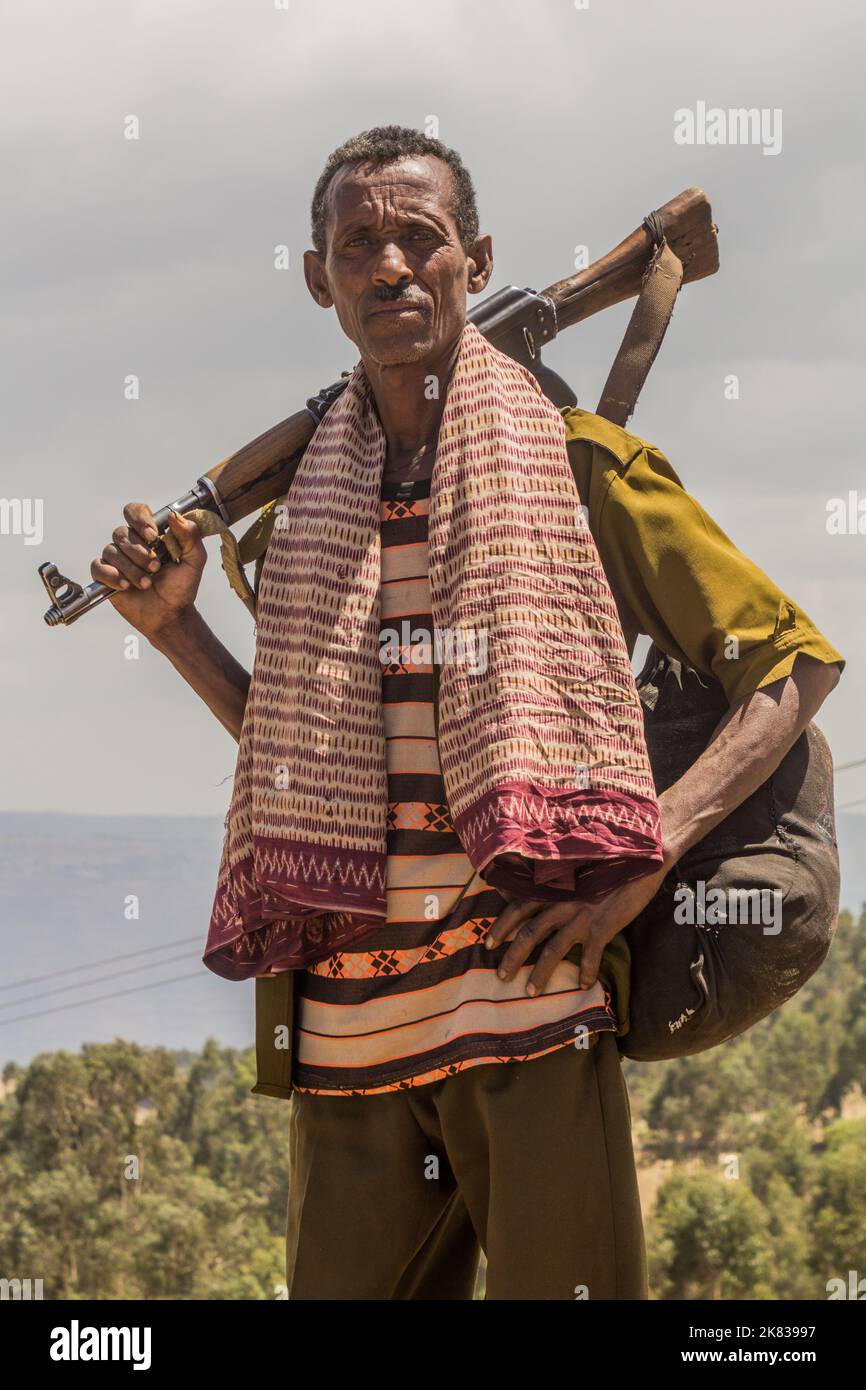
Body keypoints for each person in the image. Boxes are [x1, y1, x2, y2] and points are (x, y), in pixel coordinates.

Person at [92, 126, 843, 1300]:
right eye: (357, 245)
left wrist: (644, 860)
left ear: (476, 259)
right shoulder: (300, 527)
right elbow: (307, 769)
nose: (389, 266)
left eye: (418, 238)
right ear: (317, 280)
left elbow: (791, 667)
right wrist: (175, 625)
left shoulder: (576, 467)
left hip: (531, 1022)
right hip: (344, 1048)